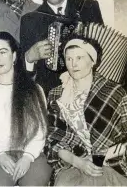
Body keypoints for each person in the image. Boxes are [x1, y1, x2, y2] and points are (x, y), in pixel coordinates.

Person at [45, 36, 127, 186]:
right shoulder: (56, 94)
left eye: (79, 58)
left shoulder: (115, 92)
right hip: (72, 163)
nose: (73, 64)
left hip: (111, 162)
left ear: (93, 61)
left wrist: (101, 157)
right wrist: (78, 162)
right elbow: (53, 139)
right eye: (68, 59)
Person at [0, 32, 52, 186]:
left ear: (15, 55)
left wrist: (27, 157)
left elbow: (41, 131)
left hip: (32, 155)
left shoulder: (34, 89)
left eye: (2, 52)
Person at [20, 0, 103, 94]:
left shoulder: (88, 8)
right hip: (52, 95)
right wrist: (29, 57)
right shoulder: (30, 20)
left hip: (90, 91)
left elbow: (104, 51)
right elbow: (23, 75)